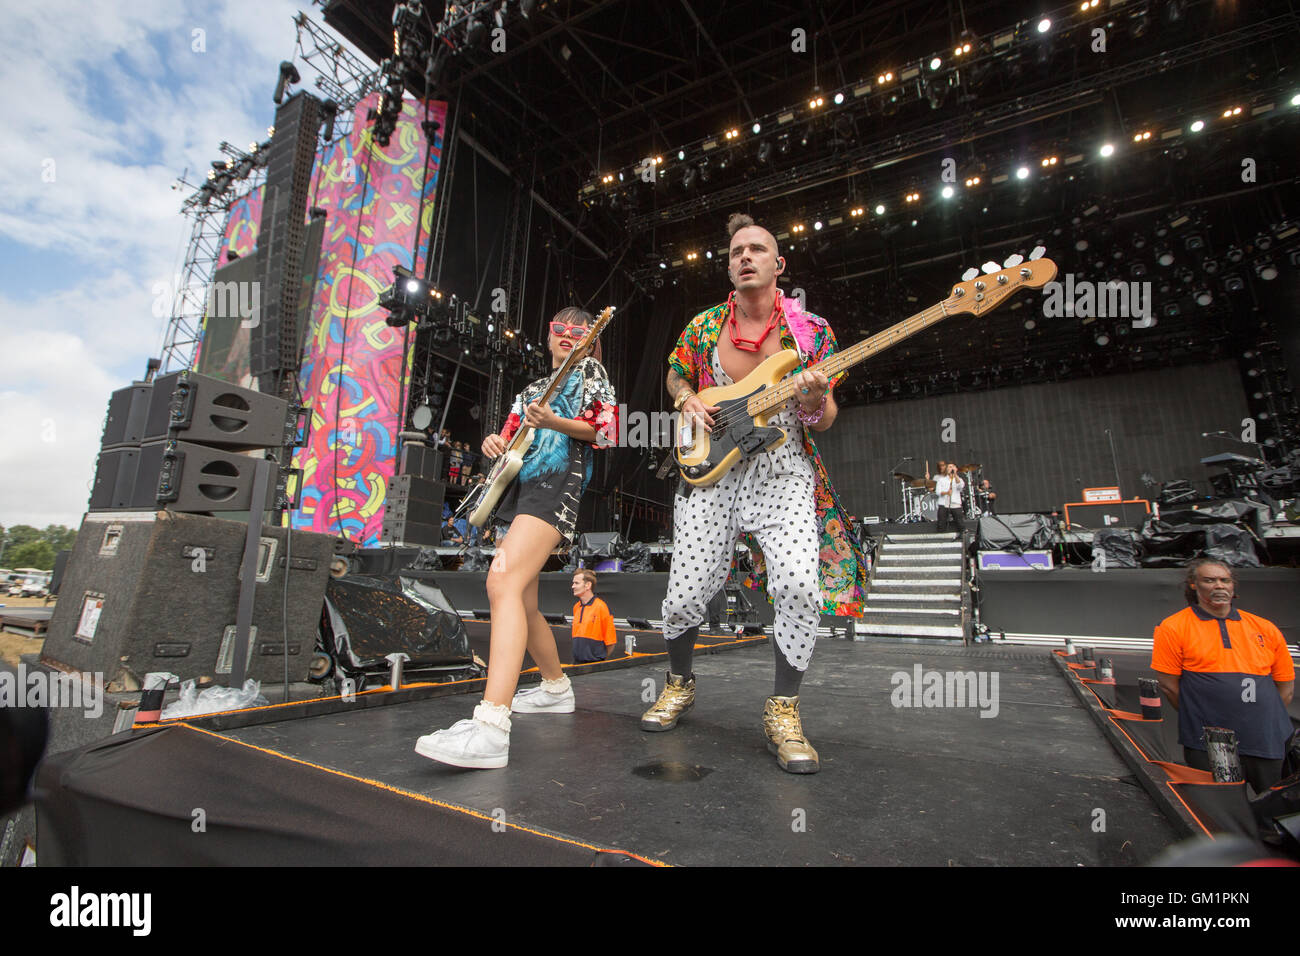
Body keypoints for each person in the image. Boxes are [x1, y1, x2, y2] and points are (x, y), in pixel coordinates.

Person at [643, 212, 868, 774]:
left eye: (757, 250)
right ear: (729, 264)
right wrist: (686, 398)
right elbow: (673, 374)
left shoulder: (813, 333)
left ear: (778, 264)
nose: (745, 256)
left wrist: (814, 398)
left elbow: (825, 419)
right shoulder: (703, 326)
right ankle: (678, 682)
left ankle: (784, 708)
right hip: (712, 471)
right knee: (683, 597)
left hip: (781, 468)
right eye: (737, 250)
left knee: (798, 584)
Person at [415, 307, 618, 769]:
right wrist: (493, 443)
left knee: (500, 582)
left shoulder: (591, 373)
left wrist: (554, 422)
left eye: (578, 332)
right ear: (548, 338)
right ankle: (555, 686)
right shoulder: (528, 391)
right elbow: (509, 443)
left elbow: (605, 432)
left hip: (558, 488)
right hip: (522, 491)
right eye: (559, 330)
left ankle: (491, 727)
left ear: (590, 340)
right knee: (522, 601)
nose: (568, 337)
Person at [1150, 559, 1295, 792]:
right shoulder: (1173, 627)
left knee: (1273, 805)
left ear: (1233, 586)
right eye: (1209, 580)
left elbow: (1286, 688)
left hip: (1265, 737)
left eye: (1225, 580)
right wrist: (1202, 713)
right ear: (1193, 585)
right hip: (1209, 741)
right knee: (1219, 805)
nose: (1219, 585)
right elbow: (1168, 686)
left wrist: (1259, 715)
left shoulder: (1264, 627)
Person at [569, 569, 616, 663]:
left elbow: (611, 641)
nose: (572, 586)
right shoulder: (576, 607)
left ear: (588, 585)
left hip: (595, 664)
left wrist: (601, 661)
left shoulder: (601, 607)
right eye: (573, 583)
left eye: (576, 583)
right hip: (577, 662)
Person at [933, 461, 965, 534]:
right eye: (949, 467)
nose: (951, 468)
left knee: (960, 522)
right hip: (943, 503)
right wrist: (946, 493)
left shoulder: (960, 479)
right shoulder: (941, 480)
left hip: (955, 503)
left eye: (953, 466)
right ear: (947, 470)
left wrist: (955, 475)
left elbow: (960, 486)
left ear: (956, 469)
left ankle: (962, 536)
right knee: (941, 522)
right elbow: (938, 492)